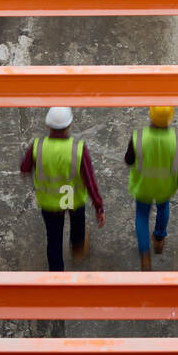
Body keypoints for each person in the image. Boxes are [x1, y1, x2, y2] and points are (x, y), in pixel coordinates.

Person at [20, 107, 105, 271]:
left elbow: (25, 168)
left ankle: (56, 276)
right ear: (69, 125)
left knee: (54, 240)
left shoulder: (37, 146)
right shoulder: (78, 149)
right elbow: (90, 180)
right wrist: (98, 206)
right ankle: (78, 247)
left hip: (50, 202)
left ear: (48, 125)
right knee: (78, 223)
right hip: (73, 198)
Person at [124, 105, 178, 271]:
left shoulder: (138, 137)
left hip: (143, 186)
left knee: (141, 216)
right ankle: (159, 240)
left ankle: (145, 254)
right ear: (171, 118)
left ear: (150, 116)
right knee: (163, 209)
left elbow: (129, 160)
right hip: (164, 187)